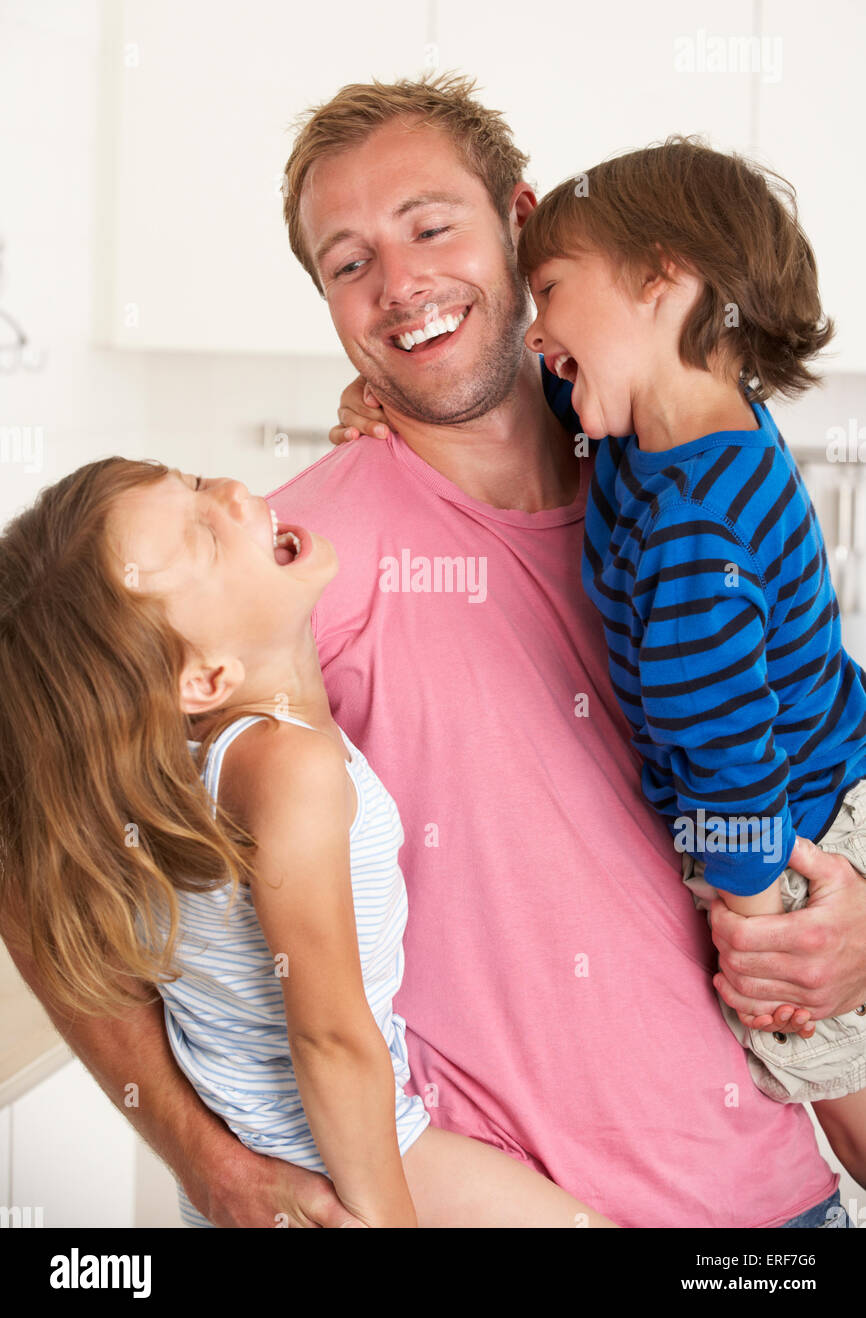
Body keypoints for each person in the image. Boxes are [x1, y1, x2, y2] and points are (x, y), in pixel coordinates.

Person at [2, 71, 862, 1227]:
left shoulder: (671, 473)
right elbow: (35, 840)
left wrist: (849, 920)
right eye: (347, 262)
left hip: (778, 1198)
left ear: (520, 220)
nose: (400, 285)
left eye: (428, 226)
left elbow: (806, 736)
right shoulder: (287, 566)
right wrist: (203, 1155)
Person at [0, 456, 614, 1228]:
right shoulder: (291, 767)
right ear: (204, 680)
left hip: (250, 1167)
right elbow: (328, 1035)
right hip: (343, 1163)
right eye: (205, 536)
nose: (227, 493)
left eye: (192, 483)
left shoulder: (165, 782)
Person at [513, 135, 866, 1184]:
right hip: (826, 780)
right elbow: (554, 386)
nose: (536, 327)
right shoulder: (689, 429)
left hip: (789, 842)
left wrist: (751, 927)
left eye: (549, 289)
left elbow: (727, 756)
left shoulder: (689, 527)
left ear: (663, 274)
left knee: (843, 1107)